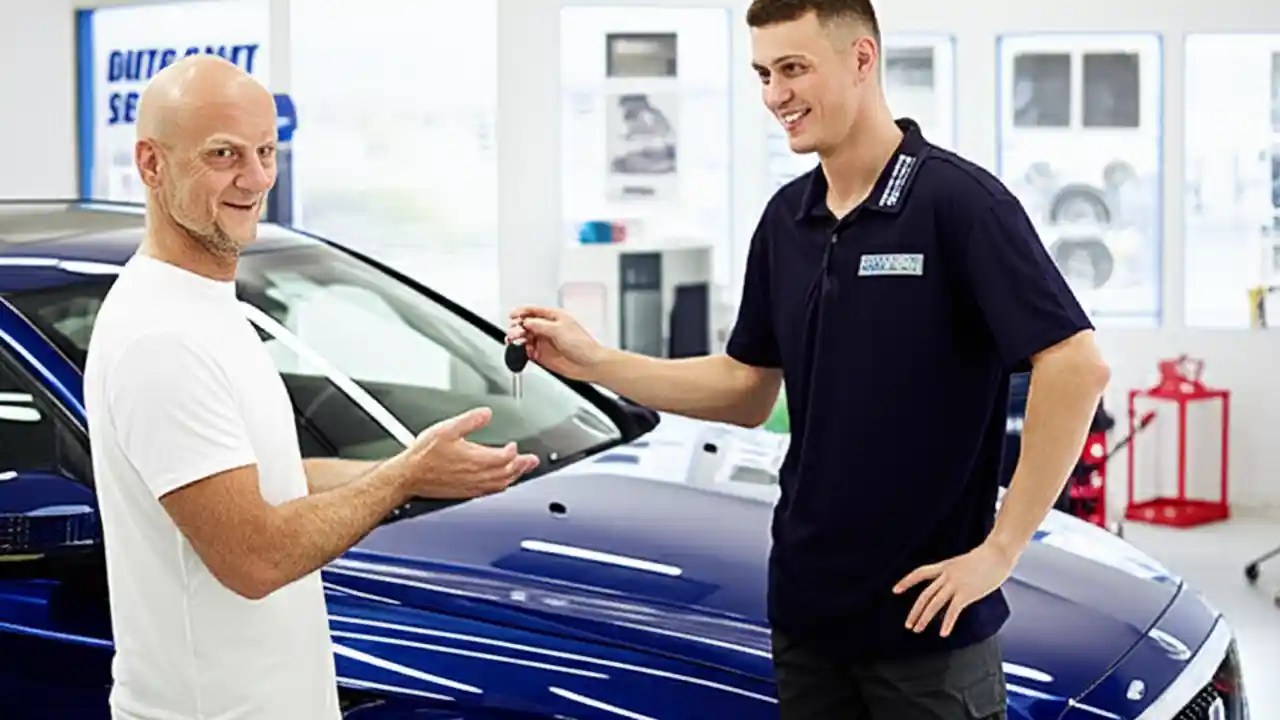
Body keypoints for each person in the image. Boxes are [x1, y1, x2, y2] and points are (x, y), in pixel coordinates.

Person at [507, 1, 1110, 718]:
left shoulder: (959, 205)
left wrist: (1002, 550)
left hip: (928, 632)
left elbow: (1076, 365)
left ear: (862, 59)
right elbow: (744, 387)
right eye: (764, 73)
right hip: (806, 619)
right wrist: (596, 362)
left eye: (793, 69)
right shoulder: (786, 220)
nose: (775, 95)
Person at [82, 55, 539, 720]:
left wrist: (413, 470)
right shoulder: (159, 337)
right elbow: (255, 556)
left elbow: (267, 480)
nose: (257, 177)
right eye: (224, 154)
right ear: (151, 164)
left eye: (267, 150)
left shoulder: (204, 305)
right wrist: (404, 477)